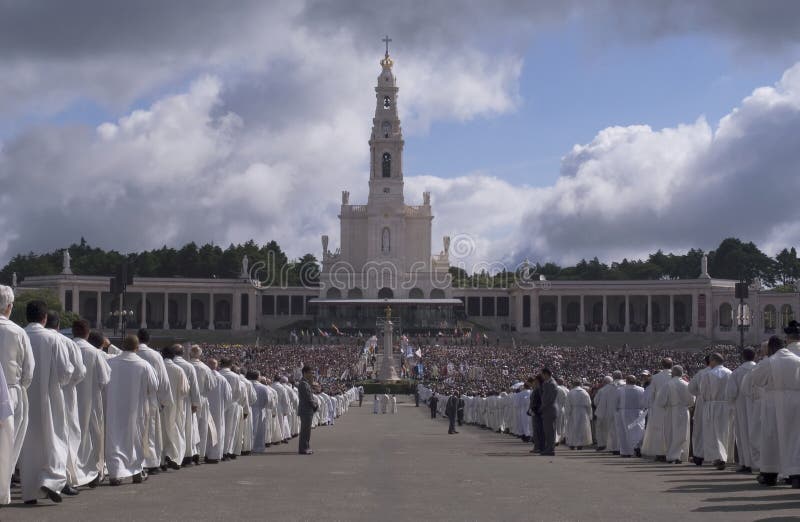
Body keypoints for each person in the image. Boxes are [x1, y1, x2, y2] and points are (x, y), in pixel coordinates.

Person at [19, 300, 73, 504]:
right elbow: (65, 371)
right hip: (50, 397)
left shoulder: (20, 334)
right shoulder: (53, 338)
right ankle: (50, 480)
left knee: (29, 445)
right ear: (44, 318)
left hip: (24, 396)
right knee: (56, 440)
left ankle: (29, 493)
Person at [105, 334, 157, 486]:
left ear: (123, 346)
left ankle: (115, 473)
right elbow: (154, 386)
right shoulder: (144, 365)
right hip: (136, 409)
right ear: (137, 348)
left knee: (115, 440)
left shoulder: (111, 362)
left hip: (114, 408)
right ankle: (136, 471)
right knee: (135, 439)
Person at [750, 333, 800, 488]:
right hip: (796, 401)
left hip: (773, 402)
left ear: (771, 348)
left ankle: (770, 474)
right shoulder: (797, 360)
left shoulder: (769, 362)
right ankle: (796, 474)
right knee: (794, 438)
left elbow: (756, 379)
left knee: (771, 437)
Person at [45, 310, 85, 496]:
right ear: (58, 325)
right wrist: (66, 383)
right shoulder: (67, 342)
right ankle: (64, 477)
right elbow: (78, 372)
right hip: (64, 394)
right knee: (66, 435)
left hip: (36, 393)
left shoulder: (32, 337)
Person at [0, 284, 34, 505]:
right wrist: (22, 386)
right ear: (9, 306)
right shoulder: (17, 331)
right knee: (8, 443)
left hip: (12, 389)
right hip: (11, 390)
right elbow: (29, 368)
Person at [72, 321, 110, 488]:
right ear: (87, 334)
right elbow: (104, 379)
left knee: (72, 435)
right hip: (91, 400)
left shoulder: (67, 346)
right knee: (94, 435)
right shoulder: (94, 352)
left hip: (69, 400)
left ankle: (73, 472)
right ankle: (94, 472)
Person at [136, 329, 173, 474]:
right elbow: (163, 380)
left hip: (132, 397)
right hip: (151, 397)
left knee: (135, 431)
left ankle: (136, 461)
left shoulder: (131, 353)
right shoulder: (155, 355)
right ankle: (151, 463)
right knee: (150, 432)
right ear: (149, 339)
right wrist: (164, 400)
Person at [724, 347, 757, 473]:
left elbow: (731, 393)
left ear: (743, 357)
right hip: (758, 405)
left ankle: (746, 462)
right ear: (755, 356)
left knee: (743, 434)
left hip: (742, 406)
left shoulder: (737, 372)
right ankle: (759, 463)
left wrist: (732, 404)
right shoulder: (759, 369)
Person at [700, 352, 732, 470]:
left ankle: (718, 457)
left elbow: (703, 391)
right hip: (726, 404)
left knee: (713, 432)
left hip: (712, 404)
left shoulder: (708, 374)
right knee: (724, 431)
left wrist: (707, 401)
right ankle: (723, 456)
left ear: (713, 361)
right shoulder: (729, 373)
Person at [161, 344, 190, 470]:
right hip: (176, 404)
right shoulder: (178, 369)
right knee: (176, 430)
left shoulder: (158, 368)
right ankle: (174, 457)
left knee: (161, 431)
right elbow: (185, 390)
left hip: (161, 404)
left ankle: (162, 459)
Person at [657, 365, 693, 464]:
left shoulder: (667, 384)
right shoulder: (686, 384)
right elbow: (692, 400)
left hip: (670, 410)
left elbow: (660, 401)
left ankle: (672, 455)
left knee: (669, 433)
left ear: (672, 373)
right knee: (682, 433)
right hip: (683, 410)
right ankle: (678, 455)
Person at [173, 345, 201, 466]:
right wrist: (195, 403)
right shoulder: (188, 366)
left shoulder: (166, 364)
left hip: (170, 400)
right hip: (185, 401)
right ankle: (185, 455)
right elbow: (194, 387)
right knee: (186, 428)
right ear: (183, 353)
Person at [641, 358, 672, 461]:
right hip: (673, 406)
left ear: (662, 365)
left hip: (658, 407)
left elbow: (652, 394)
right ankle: (672, 452)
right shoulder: (676, 375)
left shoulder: (656, 377)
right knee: (672, 429)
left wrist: (653, 406)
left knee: (659, 431)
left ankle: (660, 453)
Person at [188, 345, 215, 464]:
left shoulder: (186, 365)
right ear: (200, 354)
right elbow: (211, 386)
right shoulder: (205, 368)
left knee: (189, 426)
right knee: (201, 427)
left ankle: (189, 453)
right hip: (202, 399)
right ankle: (199, 453)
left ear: (190, 353)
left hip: (188, 400)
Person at [204, 359, 231, 464]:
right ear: (216, 366)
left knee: (204, 430)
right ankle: (214, 455)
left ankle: (204, 453)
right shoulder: (222, 379)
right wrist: (224, 408)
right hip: (218, 409)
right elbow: (228, 397)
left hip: (205, 408)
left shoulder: (204, 376)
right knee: (217, 430)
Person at [687, 355, 710, 466]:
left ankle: (699, 455)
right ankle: (718, 457)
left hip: (702, 401)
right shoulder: (726, 372)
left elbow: (691, 388)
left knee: (699, 428)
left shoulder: (701, 373)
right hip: (720, 403)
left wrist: (699, 394)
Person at [616, 375, 645, 458]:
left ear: (627, 381)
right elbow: (644, 402)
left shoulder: (620, 390)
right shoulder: (641, 389)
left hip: (624, 412)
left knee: (624, 432)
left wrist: (617, 410)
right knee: (638, 431)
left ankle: (626, 451)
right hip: (638, 412)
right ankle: (637, 447)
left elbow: (616, 402)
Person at [565, 381, 592, 450]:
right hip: (583, 412)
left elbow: (567, 404)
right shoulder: (585, 392)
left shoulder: (571, 392)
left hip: (573, 411)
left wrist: (567, 413)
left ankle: (572, 443)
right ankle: (580, 444)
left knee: (572, 428)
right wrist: (589, 414)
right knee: (581, 428)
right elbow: (589, 404)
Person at [297, 365, 318, 455]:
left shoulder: (306, 383)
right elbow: (308, 397)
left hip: (307, 409)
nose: (311, 374)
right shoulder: (303, 384)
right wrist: (314, 405)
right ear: (305, 373)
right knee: (305, 430)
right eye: (310, 373)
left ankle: (306, 446)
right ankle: (303, 448)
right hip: (306, 409)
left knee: (307, 430)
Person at [539, 368, 558, 456]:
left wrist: (542, 406)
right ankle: (548, 447)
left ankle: (550, 449)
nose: (542, 376)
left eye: (542, 374)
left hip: (549, 409)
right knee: (547, 430)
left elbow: (550, 398)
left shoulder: (551, 384)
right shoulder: (547, 383)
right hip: (547, 409)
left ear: (546, 374)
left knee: (550, 431)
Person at [592, 376, 614, 452]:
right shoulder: (616, 389)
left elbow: (595, 401)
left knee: (600, 429)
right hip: (612, 412)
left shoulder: (601, 390)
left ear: (604, 382)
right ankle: (611, 445)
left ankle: (601, 445)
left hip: (601, 412)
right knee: (610, 429)